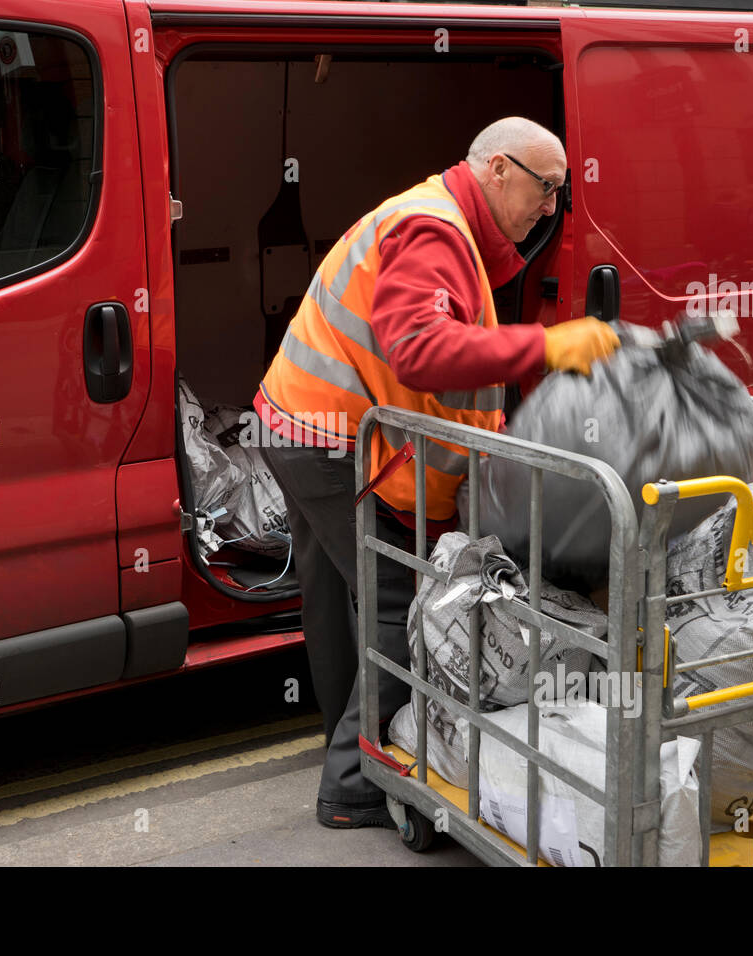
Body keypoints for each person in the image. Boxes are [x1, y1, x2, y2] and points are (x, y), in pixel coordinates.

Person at [254, 116, 619, 828]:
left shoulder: (442, 222)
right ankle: (355, 782)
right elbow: (420, 351)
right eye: (546, 189)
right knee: (400, 604)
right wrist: (546, 348)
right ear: (499, 170)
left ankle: (349, 734)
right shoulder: (435, 230)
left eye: (558, 196)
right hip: (336, 445)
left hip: (298, 424)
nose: (550, 208)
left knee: (334, 594)